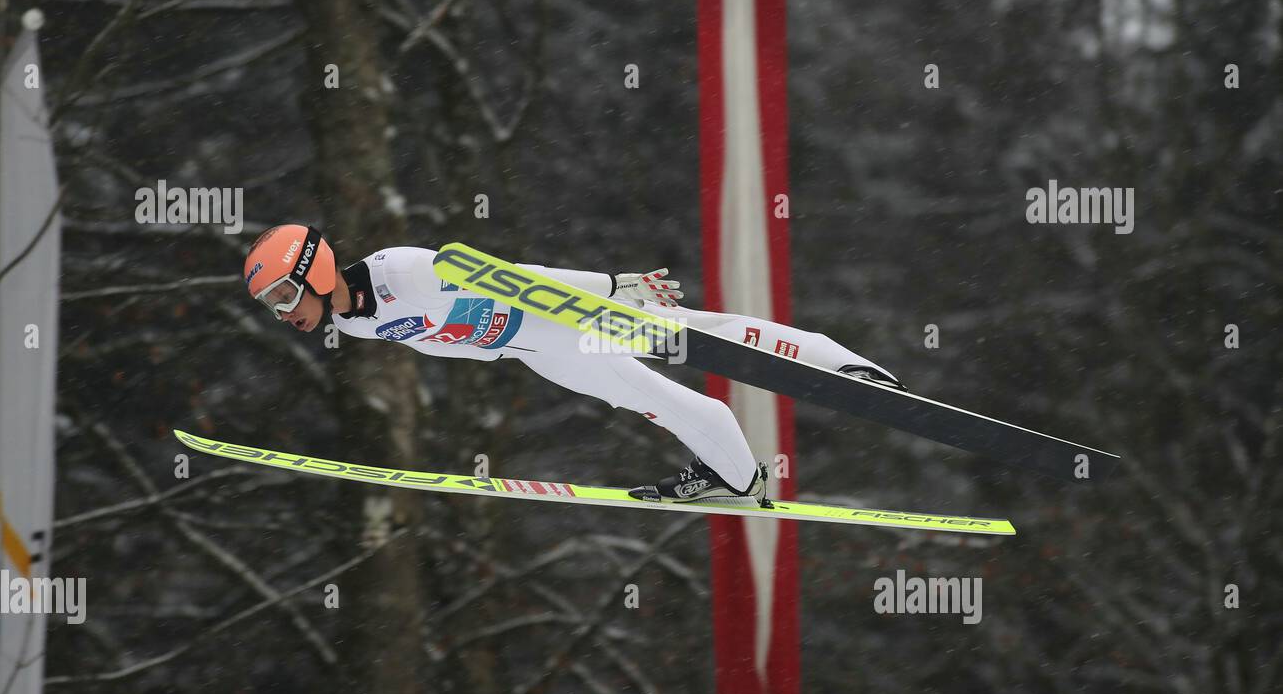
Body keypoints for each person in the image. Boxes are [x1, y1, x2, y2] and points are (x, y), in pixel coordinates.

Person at [243, 224, 903, 505]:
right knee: (658, 402)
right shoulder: (351, 319)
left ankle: (840, 366)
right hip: (538, 350)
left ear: (313, 270)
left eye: (281, 294)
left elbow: (510, 276)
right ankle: (737, 477)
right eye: (270, 303)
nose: (282, 312)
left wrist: (609, 286)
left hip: (565, 317)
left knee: (706, 334)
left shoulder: (401, 270)